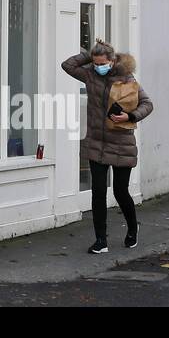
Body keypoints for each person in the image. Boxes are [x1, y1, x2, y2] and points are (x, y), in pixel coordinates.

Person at [60, 40, 153, 254]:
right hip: (96, 143)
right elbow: (67, 65)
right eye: (95, 63)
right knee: (98, 193)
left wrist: (130, 116)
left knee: (121, 191)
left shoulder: (127, 78)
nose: (98, 66)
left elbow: (147, 104)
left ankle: (132, 228)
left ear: (112, 61)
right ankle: (101, 240)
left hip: (122, 144)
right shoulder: (90, 74)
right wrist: (89, 53)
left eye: (102, 63)